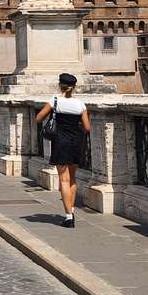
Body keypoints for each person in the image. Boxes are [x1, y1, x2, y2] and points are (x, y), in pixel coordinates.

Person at [34, 73, 90, 228]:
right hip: (76, 142)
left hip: (61, 142)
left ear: (60, 85)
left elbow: (38, 118)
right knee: (72, 179)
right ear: (74, 87)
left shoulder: (54, 101)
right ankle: (71, 210)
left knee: (63, 180)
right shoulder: (80, 104)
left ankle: (68, 217)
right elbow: (87, 128)